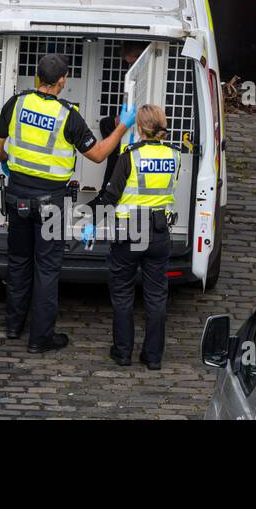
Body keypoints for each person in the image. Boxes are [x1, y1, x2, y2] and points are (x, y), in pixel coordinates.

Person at [0, 52, 134, 353]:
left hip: (17, 195)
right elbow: (97, 154)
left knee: (18, 262)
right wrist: (122, 127)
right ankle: (40, 338)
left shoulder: (16, 103)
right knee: (47, 268)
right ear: (62, 81)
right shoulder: (68, 116)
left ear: (36, 78)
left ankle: (14, 326)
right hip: (50, 204)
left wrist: (7, 164)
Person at [89, 104, 178, 370]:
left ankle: (123, 352)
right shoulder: (175, 155)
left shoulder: (130, 156)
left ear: (139, 127)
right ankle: (153, 357)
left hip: (130, 231)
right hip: (159, 232)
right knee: (156, 297)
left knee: (123, 294)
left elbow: (110, 196)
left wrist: (91, 222)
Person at [96, 41, 150, 189]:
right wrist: (119, 121)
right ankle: (105, 193)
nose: (132, 68)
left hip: (141, 131)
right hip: (128, 128)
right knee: (106, 126)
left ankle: (106, 193)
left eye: (133, 63)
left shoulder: (150, 78)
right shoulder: (132, 79)